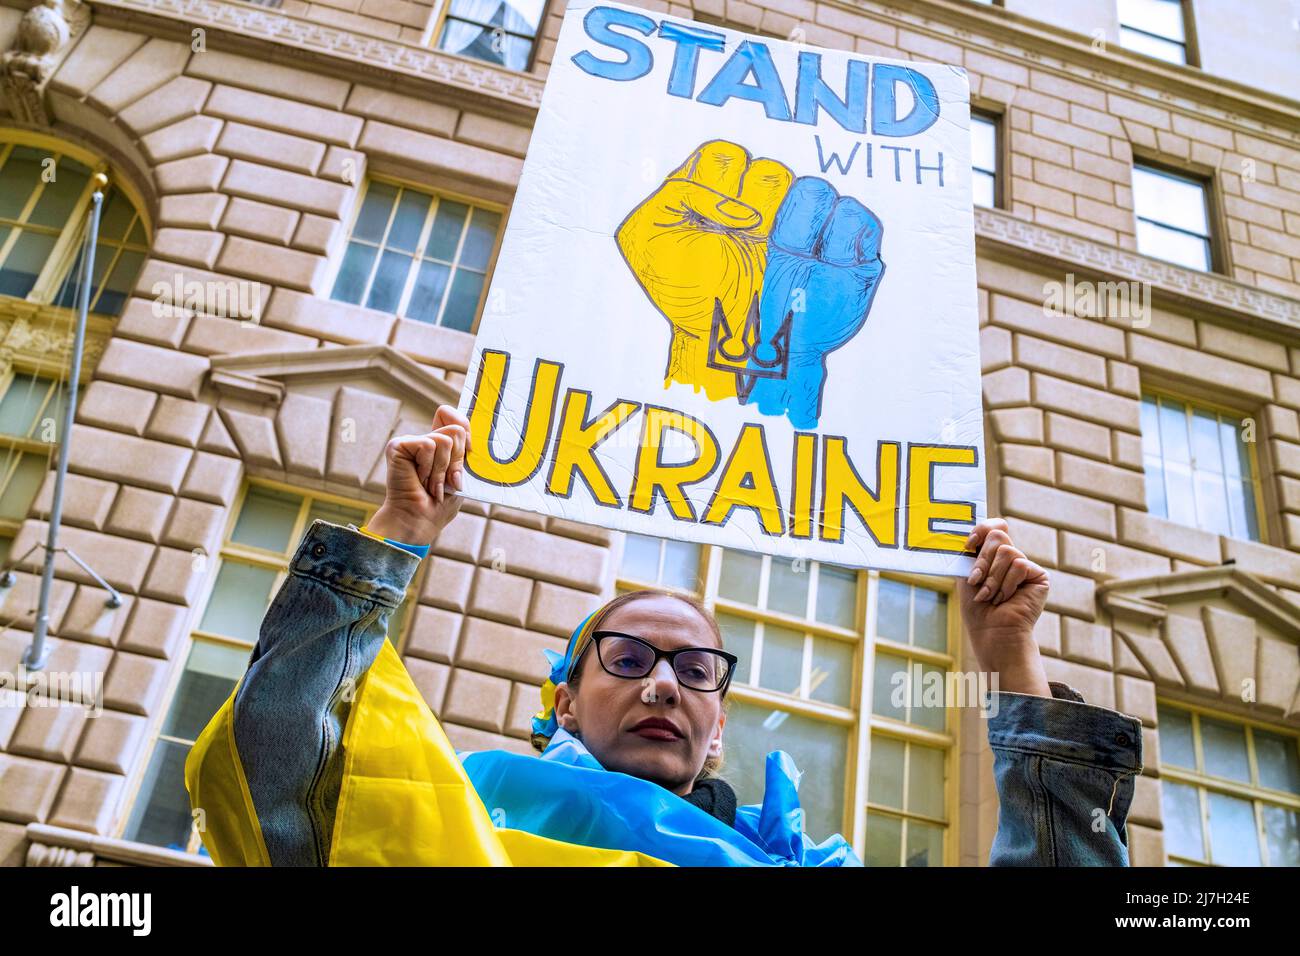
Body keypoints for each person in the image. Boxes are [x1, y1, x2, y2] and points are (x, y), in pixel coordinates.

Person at [186, 405, 1143, 866]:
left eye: (696, 670)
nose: (662, 687)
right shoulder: (464, 810)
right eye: (630, 658)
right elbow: (274, 766)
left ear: (718, 725)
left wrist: (1012, 659)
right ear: (562, 696)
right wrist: (393, 540)